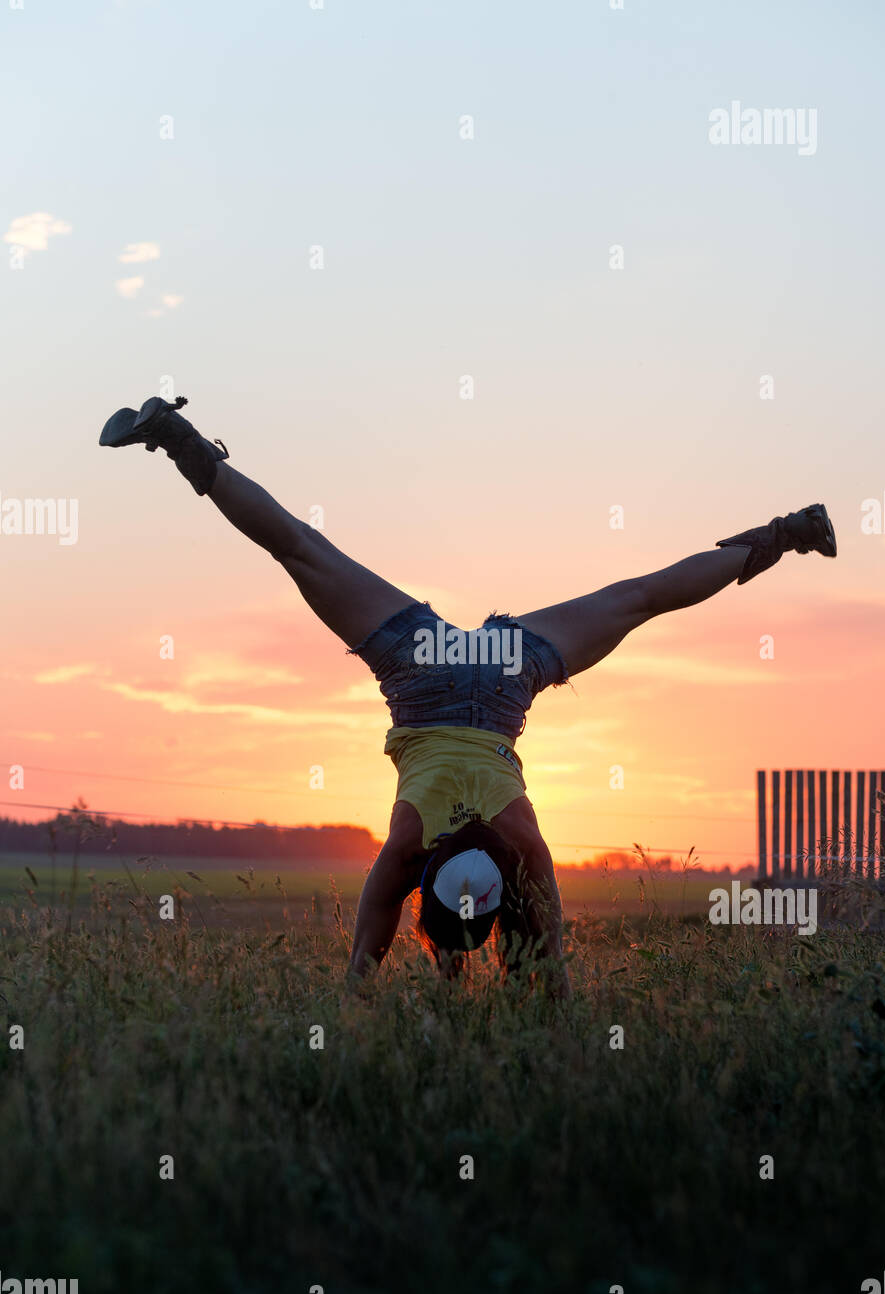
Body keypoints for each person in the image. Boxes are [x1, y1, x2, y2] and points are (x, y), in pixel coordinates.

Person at [100, 394, 837, 998]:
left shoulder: (523, 848)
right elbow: (375, 941)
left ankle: (175, 435)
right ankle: (781, 534)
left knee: (633, 597)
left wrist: (534, 988)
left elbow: (548, 968)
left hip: (495, 670)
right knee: (300, 547)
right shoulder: (406, 848)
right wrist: (358, 984)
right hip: (423, 669)